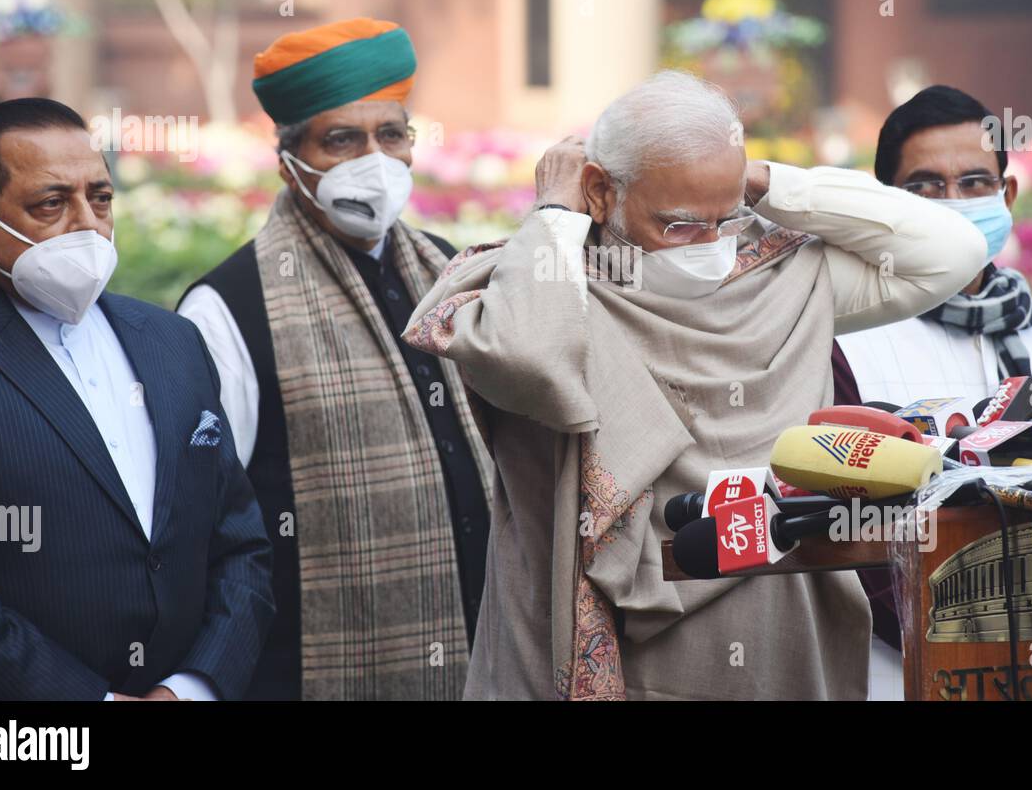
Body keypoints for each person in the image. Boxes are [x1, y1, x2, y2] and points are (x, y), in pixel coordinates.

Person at [404, 70, 986, 699]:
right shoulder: (546, 287)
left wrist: (756, 179)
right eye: (679, 224)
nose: (708, 246)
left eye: (725, 217)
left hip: (785, 638)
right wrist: (552, 214)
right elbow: (530, 360)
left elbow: (950, 250)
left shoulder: (776, 277)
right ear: (599, 192)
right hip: (619, 663)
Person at [178, 17, 493, 700]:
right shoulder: (228, 309)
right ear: (289, 157)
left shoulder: (448, 270)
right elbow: (201, 524)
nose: (372, 160)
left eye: (390, 135)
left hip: (481, 659)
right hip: (310, 669)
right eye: (341, 139)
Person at [0, 98, 273, 700]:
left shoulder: (172, 341)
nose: (88, 225)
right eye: (51, 203)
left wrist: (191, 687)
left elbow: (239, 540)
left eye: (100, 198)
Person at [831, 84, 1032, 700]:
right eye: (926, 186)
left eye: (975, 182)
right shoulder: (848, 337)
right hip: (898, 672)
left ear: (1007, 194)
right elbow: (841, 535)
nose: (952, 203)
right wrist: (971, 639)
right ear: (888, 206)